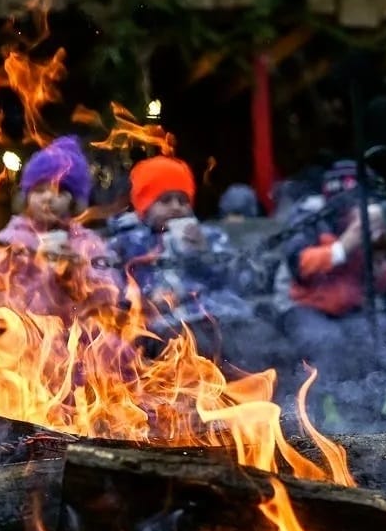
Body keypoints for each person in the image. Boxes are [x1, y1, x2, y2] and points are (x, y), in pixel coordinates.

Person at [110, 156, 277, 374]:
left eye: (183, 201)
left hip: (219, 315)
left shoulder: (209, 236)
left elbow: (239, 280)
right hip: (165, 325)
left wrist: (204, 252)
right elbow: (111, 288)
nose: (176, 207)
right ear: (144, 206)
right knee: (197, 343)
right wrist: (142, 302)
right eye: (165, 200)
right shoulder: (126, 244)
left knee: (265, 339)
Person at [277, 160, 386, 426]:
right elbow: (300, 267)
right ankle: (328, 419)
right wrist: (345, 246)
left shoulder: (370, 220)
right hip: (305, 306)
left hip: (352, 308)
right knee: (328, 343)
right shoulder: (310, 217)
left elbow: (381, 286)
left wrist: (378, 259)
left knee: (381, 336)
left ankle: (381, 413)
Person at [0, 136, 121, 317]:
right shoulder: (8, 242)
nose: (48, 197)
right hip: (23, 335)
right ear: (26, 198)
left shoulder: (89, 244)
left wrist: (76, 272)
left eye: (60, 191)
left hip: (76, 338)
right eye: (40, 190)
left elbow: (110, 294)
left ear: (74, 201)